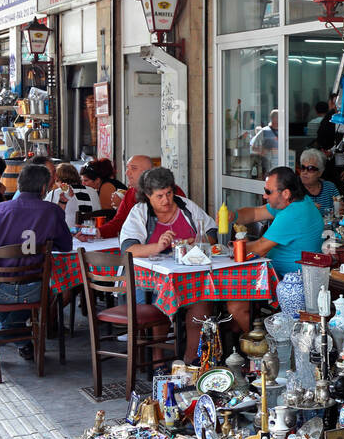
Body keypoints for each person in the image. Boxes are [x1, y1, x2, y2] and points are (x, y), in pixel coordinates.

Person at [120, 166, 248, 363]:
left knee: (202, 302)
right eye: (160, 196)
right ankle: (159, 359)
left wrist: (197, 241)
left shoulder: (185, 206)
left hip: (188, 278)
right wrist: (158, 246)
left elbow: (212, 233)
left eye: (169, 193)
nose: (166, 200)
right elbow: (128, 248)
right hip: (150, 281)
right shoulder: (140, 212)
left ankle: (191, 361)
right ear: (147, 196)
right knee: (160, 302)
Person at [0, 162, 73, 360]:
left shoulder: (0, 209)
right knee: (37, 297)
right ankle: (22, 341)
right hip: (34, 290)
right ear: (43, 188)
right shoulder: (51, 211)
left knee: (2, 303)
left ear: (19, 184)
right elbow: (65, 246)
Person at [235, 167, 325, 325]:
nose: (264, 195)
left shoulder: (293, 213)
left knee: (235, 305)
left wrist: (231, 248)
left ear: (285, 193)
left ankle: (259, 343)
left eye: (268, 192)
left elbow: (260, 247)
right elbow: (255, 213)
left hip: (290, 283)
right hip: (282, 275)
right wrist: (232, 216)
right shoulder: (298, 202)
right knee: (234, 298)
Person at [98, 155, 183, 239]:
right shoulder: (130, 193)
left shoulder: (170, 191)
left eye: (133, 168)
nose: (127, 173)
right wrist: (97, 232)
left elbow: (182, 222)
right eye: (127, 168)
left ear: (147, 172)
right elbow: (119, 222)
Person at [48, 162, 100, 229]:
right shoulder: (93, 191)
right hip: (90, 232)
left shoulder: (55, 193)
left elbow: (47, 218)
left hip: (67, 234)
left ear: (57, 179)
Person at [297, 148, 339, 216]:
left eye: (310, 169)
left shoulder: (330, 188)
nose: (305, 172)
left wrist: (340, 210)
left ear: (320, 172)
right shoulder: (294, 188)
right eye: (303, 167)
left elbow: (338, 211)